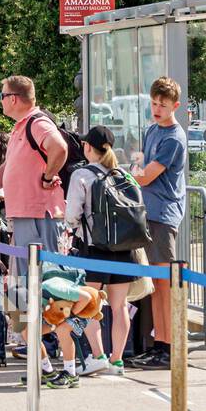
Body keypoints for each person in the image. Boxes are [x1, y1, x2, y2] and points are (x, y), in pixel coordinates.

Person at [0, 76, 67, 349]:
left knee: (43, 279)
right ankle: (31, 339)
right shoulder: (22, 127)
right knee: (27, 280)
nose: (1, 101)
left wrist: (48, 175)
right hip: (27, 214)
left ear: (13, 99)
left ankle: (48, 339)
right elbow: (6, 170)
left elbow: (59, 147)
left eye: (2, 96)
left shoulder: (37, 123)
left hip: (38, 214)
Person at [63, 125, 134, 377]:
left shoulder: (81, 175)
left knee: (90, 304)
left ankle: (98, 355)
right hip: (124, 248)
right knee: (120, 306)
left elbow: (72, 215)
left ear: (88, 147)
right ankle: (117, 361)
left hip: (94, 247)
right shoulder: (122, 174)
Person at [129, 77, 187, 371]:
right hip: (150, 212)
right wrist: (133, 170)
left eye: (162, 105)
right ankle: (159, 343)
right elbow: (138, 162)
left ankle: (169, 345)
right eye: (154, 104)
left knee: (165, 284)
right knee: (156, 285)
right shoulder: (152, 130)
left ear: (175, 106)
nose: (157, 109)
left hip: (163, 214)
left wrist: (129, 174)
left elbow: (146, 173)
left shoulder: (174, 138)